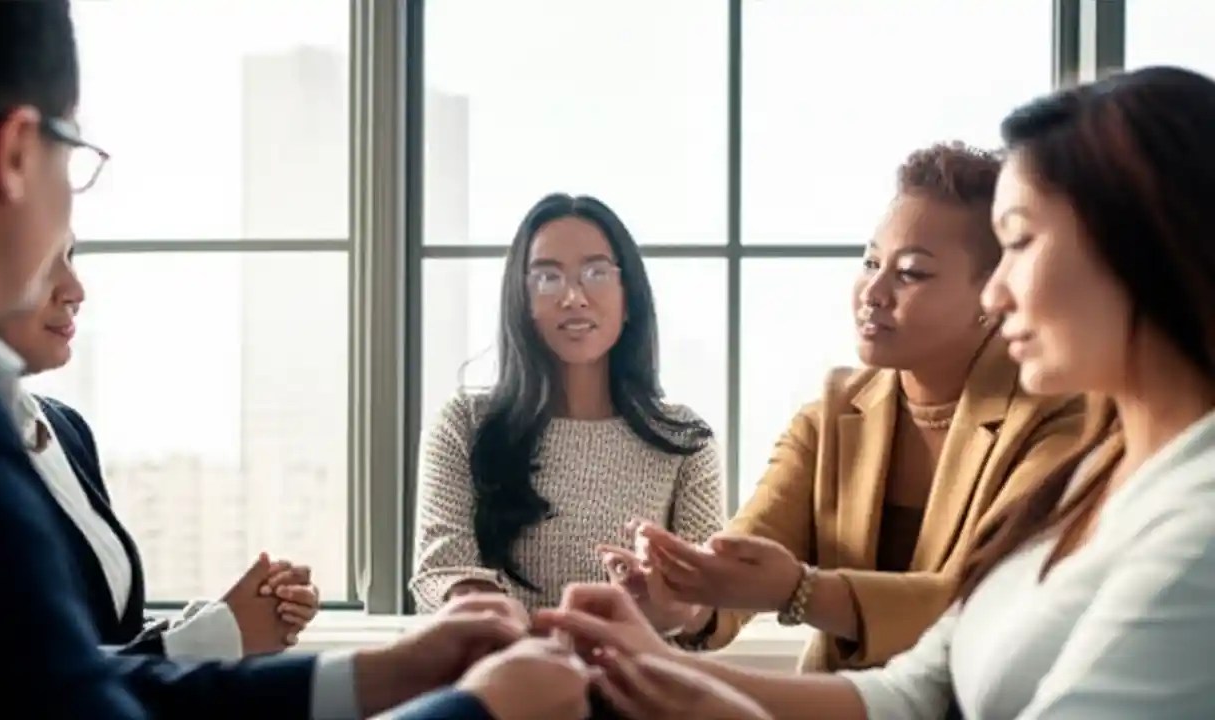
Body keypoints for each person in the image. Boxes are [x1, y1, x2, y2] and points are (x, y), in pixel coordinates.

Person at [0, 3, 592, 718]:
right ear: (17, 155)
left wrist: (384, 672)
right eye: (74, 156)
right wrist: (477, 711)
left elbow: (54, 682)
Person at [542, 65, 1215, 719]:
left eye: (1021, 242)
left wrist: (800, 593)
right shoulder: (1093, 478)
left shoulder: (1188, 521)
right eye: (870, 263)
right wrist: (660, 643)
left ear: (1138, 248)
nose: (999, 290)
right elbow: (915, 690)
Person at [615, 142, 1086, 671]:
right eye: (870, 263)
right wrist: (684, 599)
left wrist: (802, 591)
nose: (873, 291)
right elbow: (747, 551)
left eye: (910, 273)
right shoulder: (831, 416)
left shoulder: (1057, 418)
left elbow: (983, 610)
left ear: (994, 293)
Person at [0, 233, 321, 659]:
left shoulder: (65, 429)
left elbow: (105, 638)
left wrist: (225, 620)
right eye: (43, 260)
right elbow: (22, 686)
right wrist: (218, 637)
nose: (75, 290)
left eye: (70, 257)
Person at [411, 192, 724, 613]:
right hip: (498, 667)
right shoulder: (464, 425)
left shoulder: (685, 440)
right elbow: (441, 569)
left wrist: (663, 605)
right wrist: (496, 618)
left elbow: (704, 603)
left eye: (595, 273)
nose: (573, 297)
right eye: (548, 277)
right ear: (520, 301)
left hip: (633, 672)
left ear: (628, 297)